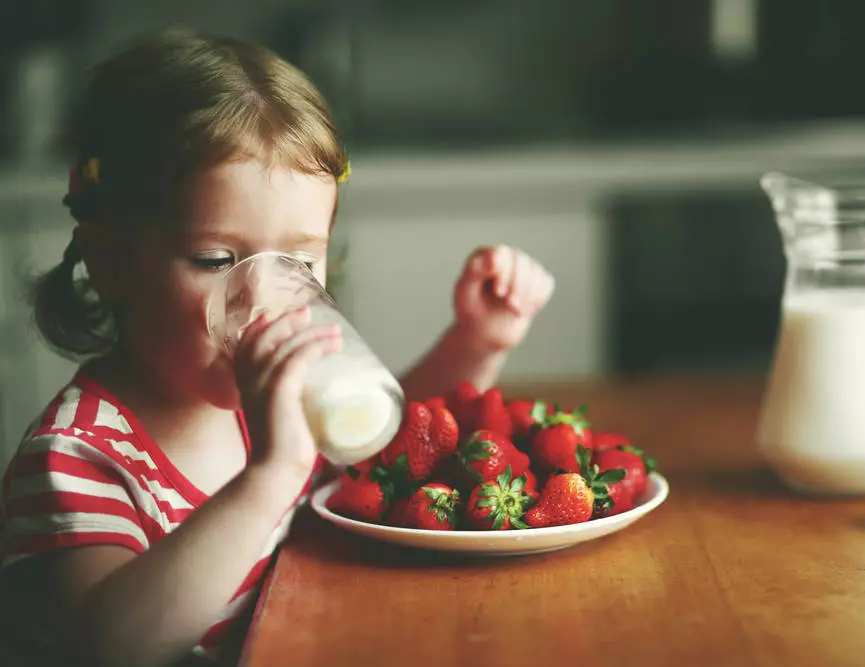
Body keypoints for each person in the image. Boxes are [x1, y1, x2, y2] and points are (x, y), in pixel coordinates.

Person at [0, 26, 554, 667]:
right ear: (111, 263)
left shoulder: (268, 402)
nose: (263, 299)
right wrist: (270, 477)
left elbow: (388, 438)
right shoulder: (76, 460)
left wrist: (476, 340)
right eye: (215, 260)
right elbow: (110, 648)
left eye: (297, 260)